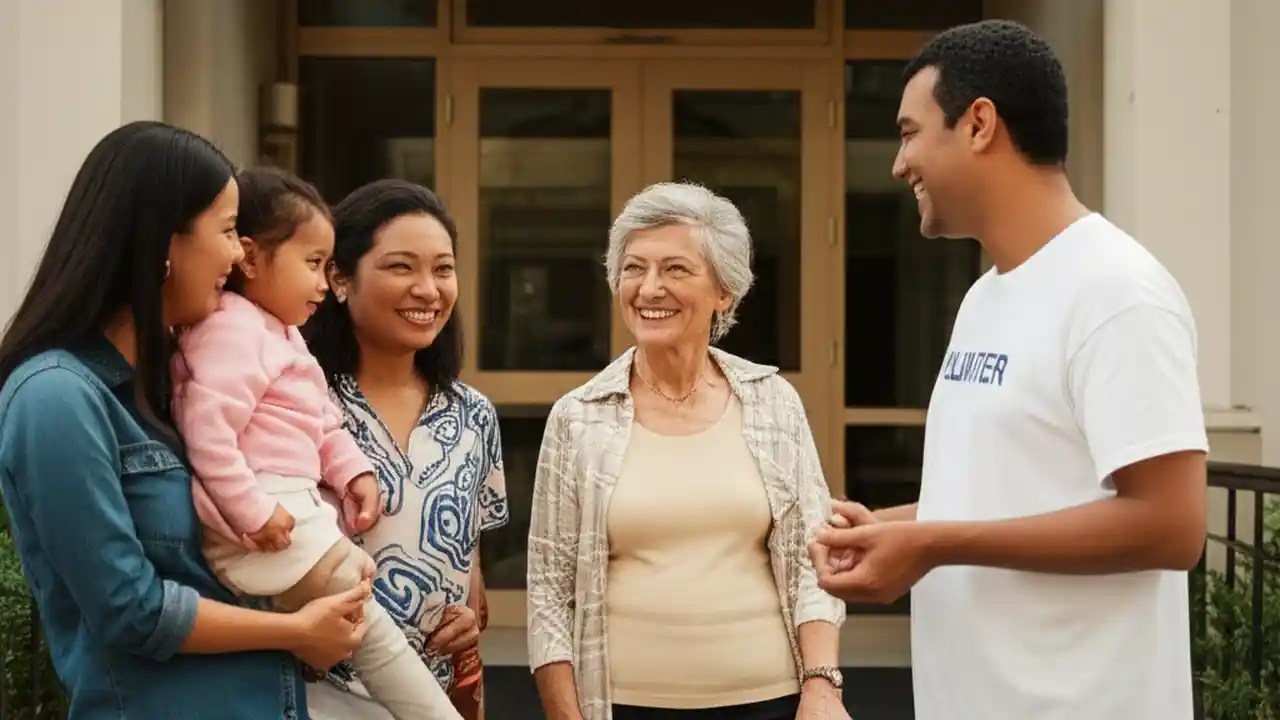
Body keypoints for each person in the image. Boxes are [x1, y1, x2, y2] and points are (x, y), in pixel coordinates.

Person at [810, 20, 1208, 720]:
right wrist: (891, 528)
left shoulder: (1117, 291)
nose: (899, 164)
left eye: (909, 132)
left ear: (979, 124)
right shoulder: (986, 294)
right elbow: (1007, 489)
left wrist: (930, 543)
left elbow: (1172, 525)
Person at [0, 121, 371, 719]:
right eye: (227, 230)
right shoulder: (56, 398)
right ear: (162, 243)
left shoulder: (180, 385)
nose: (237, 252)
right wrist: (293, 630)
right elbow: (129, 608)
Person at [527, 181, 849, 720]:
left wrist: (822, 686)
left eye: (675, 270)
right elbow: (548, 594)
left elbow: (809, 562)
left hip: (769, 701)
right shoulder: (579, 416)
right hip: (625, 704)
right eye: (634, 268)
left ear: (725, 291)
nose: (650, 288)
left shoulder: (773, 402)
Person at [170, 167, 461, 720]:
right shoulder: (232, 330)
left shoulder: (278, 333)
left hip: (292, 510)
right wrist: (254, 512)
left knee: (362, 611)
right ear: (251, 260)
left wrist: (353, 471)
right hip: (263, 517)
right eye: (312, 266)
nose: (322, 285)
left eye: (326, 267)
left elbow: (323, 423)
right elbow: (207, 434)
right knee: (369, 627)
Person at [303, 179, 507, 720]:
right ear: (340, 279)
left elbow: (468, 575)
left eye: (442, 269)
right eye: (401, 267)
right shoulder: (302, 406)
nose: (428, 289)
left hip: (438, 697)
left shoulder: (474, 414)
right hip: (323, 696)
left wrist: (468, 615)